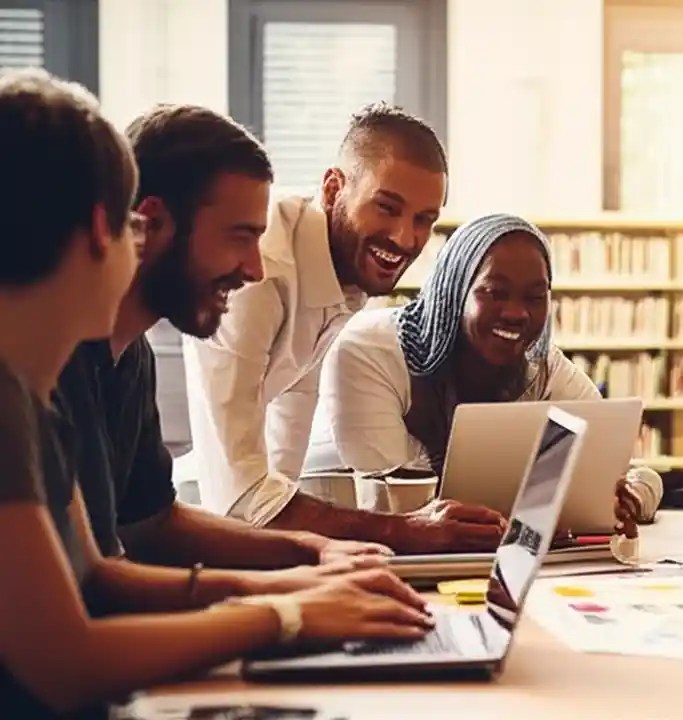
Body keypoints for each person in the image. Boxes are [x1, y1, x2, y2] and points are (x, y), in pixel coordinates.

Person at [0, 68, 429, 720]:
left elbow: (100, 569)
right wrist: (282, 611)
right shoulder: (26, 390)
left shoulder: (41, 384)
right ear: (104, 229)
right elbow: (65, 661)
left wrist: (300, 571)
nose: (255, 267)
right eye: (127, 228)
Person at [54, 103, 395, 572]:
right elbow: (91, 592)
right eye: (239, 237)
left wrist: (313, 552)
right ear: (150, 223)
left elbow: (152, 524)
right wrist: (286, 610)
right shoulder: (50, 363)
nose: (254, 269)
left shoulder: (132, 356)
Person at [177, 102, 508, 553]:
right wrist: (406, 530)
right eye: (387, 207)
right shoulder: (261, 270)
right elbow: (240, 494)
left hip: (242, 523)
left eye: (424, 220)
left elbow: (286, 433)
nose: (405, 238)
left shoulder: (342, 275)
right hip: (182, 524)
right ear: (334, 188)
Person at [305, 213, 664, 530]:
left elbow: (632, 472)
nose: (516, 313)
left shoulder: (541, 368)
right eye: (495, 292)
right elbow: (400, 505)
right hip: (347, 550)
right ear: (454, 292)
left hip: (469, 556)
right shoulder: (371, 351)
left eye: (536, 297)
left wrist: (629, 496)